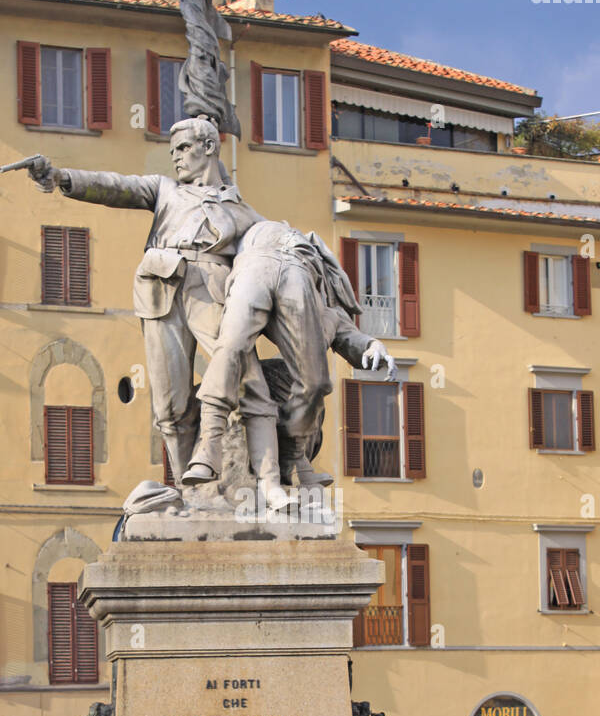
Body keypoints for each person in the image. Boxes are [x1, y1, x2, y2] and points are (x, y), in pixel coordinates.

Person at [25, 119, 292, 509]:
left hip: (213, 289)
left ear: (208, 147)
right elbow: (116, 187)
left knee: (249, 383)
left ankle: (270, 483)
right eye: (172, 151)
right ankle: (194, 492)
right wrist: (62, 177)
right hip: (160, 292)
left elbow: (272, 263)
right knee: (170, 405)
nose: (175, 158)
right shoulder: (166, 191)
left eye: (183, 148)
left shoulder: (245, 213)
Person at [181, 219, 395, 489]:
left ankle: (292, 456)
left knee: (317, 383)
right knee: (231, 346)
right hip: (256, 263)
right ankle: (209, 446)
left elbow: (349, 335)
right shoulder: (260, 234)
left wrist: (373, 345)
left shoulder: (325, 308)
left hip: (295, 274)